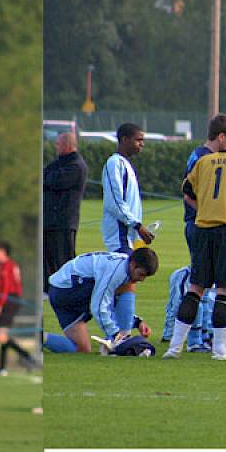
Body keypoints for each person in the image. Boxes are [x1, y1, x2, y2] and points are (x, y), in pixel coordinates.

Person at [164, 126, 226, 360]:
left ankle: (174, 348)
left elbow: (187, 191)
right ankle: (219, 350)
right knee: (225, 291)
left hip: (202, 229)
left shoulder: (204, 162)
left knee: (196, 288)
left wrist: (205, 209)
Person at [44, 248, 159, 354]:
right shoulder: (117, 272)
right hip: (68, 291)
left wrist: (137, 322)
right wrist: (115, 334)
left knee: (82, 349)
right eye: (141, 274)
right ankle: (121, 339)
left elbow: (109, 302)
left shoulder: (124, 265)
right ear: (133, 265)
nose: (142, 279)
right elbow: (98, 306)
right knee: (128, 287)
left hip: (59, 289)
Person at [103, 123, 154, 333]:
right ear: (124, 139)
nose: (141, 144)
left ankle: (122, 330)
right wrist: (137, 225)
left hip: (128, 237)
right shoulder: (114, 163)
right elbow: (114, 201)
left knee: (121, 283)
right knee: (129, 279)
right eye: (138, 139)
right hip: (120, 236)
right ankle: (122, 335)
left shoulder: (126, 165)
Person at [182, 115, 226, 259]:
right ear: (221, 137)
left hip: (199, 223)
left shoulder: (200, 154)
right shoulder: (205, 159)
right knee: (203, 277)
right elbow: (188, 195)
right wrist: (211, 212)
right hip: (199, 224)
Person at [43, 129, 88, 278]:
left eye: (58, 144)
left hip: (64, 221)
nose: (56, 147)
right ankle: (48, 289)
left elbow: (53, 180)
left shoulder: (76, 166)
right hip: (50, 220)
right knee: (47, 258)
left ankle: (68, 288)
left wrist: (47, 177)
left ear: (67, 145)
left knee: (63, 259)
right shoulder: (59, 164)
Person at [0, 241, 35, 374]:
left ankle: (26, 356)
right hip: (11, 300)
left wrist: (0, 304)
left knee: (2, 335)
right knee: (2, 335)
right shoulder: (8, 265)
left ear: (2, 251)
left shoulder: (7, 266)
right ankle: (3, 367)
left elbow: (6, 288)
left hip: (9, 301)